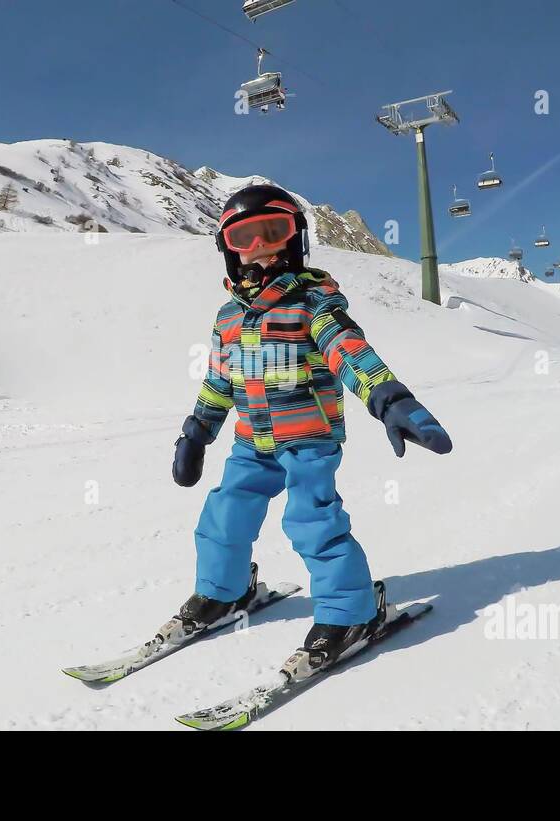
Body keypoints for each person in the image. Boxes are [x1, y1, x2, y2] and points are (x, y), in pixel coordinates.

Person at [170, 184, 452, 668]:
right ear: (228, 250)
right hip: (251, 441)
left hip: (307, 438)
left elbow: (348, 351)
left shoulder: (312, 305)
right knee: (223, 514)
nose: (260, 246)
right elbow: (220, 379)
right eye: (245, 238)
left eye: (272, 232)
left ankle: (351, 612)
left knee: (311, 522)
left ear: (295, 238)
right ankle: (224, 591)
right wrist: (197, 430)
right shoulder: (228, 318)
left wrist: (389, 398)